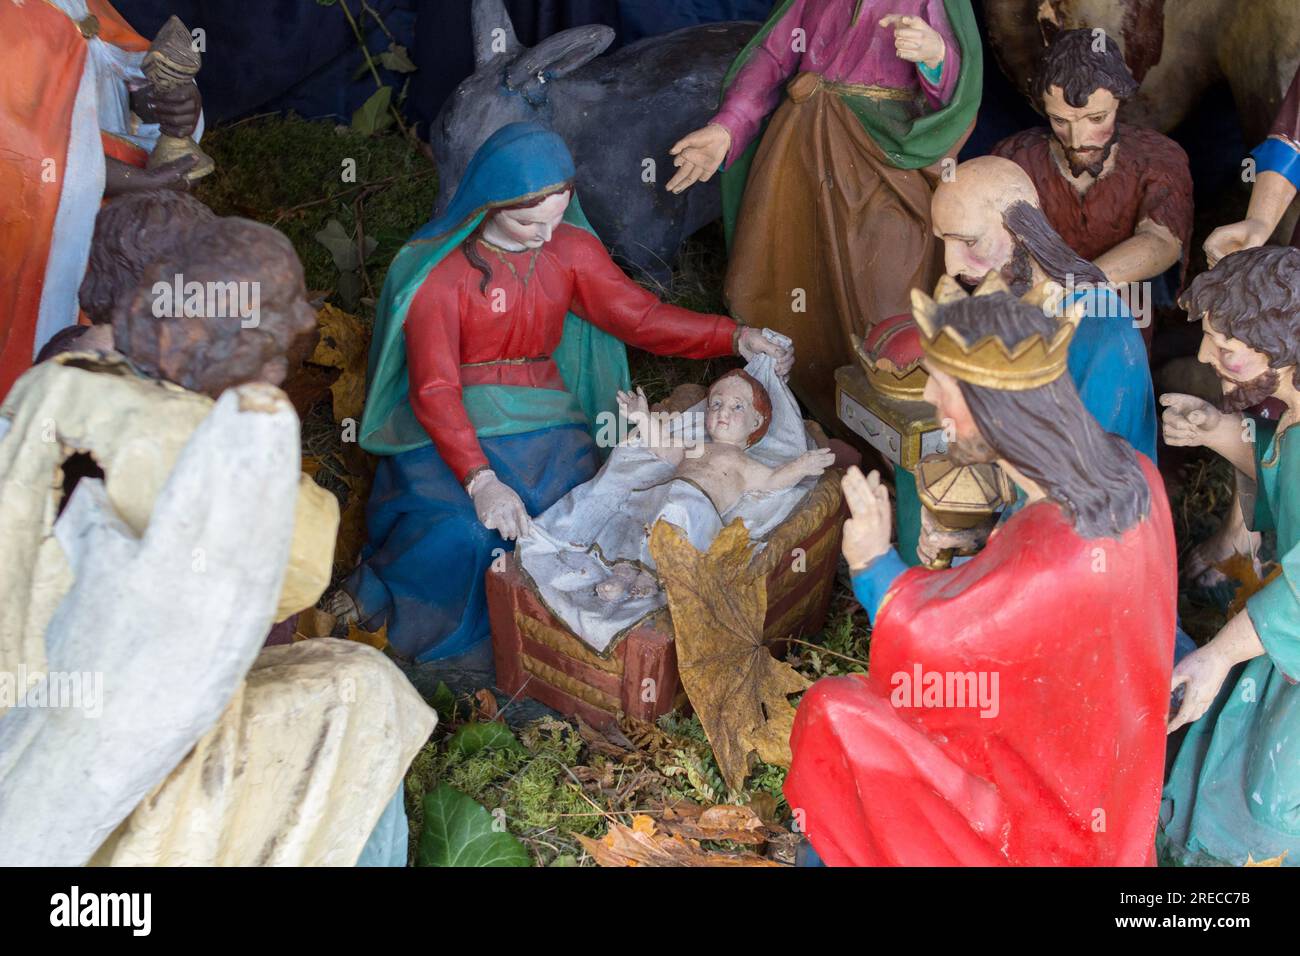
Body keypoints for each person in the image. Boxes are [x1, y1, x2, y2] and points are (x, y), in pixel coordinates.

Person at [0, 216, 432, 866]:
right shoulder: (209, 444)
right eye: (277, 353)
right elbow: (294, 577)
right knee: (368, 693)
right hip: (121, 749)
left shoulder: (56, 380)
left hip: (25, 688)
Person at [329, 122, 792, 663]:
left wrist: (733, 335)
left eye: (557, 218)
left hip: (548, 419)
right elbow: (434, 388)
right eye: (529, 222)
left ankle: (560, 641)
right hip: (452, 429)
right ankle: (444, 632)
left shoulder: (569, 251)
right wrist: (481, 482)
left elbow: (640, 317)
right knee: (467, 530)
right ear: (488, 205)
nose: (546, 236)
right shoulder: (442, 275)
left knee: (577, 516)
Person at [785, 277, 1176, 865]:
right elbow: (1018, 620)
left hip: (1042, 813)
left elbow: (937, 640)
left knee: (835, 713)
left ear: (990, 407)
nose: (935, 402)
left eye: (944, 388)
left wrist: (872, 563)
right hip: (1090, 763)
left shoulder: (1057, 550)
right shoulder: (1132, 473)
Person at [665, 0, 982, 429]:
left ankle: (892, 426)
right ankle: (798, 418)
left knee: (890, 290)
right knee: (792, 279)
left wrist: (936, 56)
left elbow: (962, 88)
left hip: (883, 158)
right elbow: (773, 56)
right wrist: (728, 126)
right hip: (800, 155)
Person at [1160, 246, 1300, 866]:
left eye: (1226, 346)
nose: (1202, 357)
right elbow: (1282, 467)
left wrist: (1218, 656)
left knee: (1272, 808)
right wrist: (1216, 428)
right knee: (1234, 761)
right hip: (1279, 640)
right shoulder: (1293, 409)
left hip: (1286, 629)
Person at [0, 0, 202, 400]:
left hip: (97, 235)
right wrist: (126, 180)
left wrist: (165, 106)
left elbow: (110, 69)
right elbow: (16, 151)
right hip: (36, 239)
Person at [992, 29, 1192, 299]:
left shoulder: (1158, 158)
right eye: (1060, 121)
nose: (1077, 140)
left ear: (1118, 102)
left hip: (1120, 316)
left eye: (1096, 119)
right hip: (1034, 315)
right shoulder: (1013, 158)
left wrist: (1076, 286)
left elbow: (1162, 240)